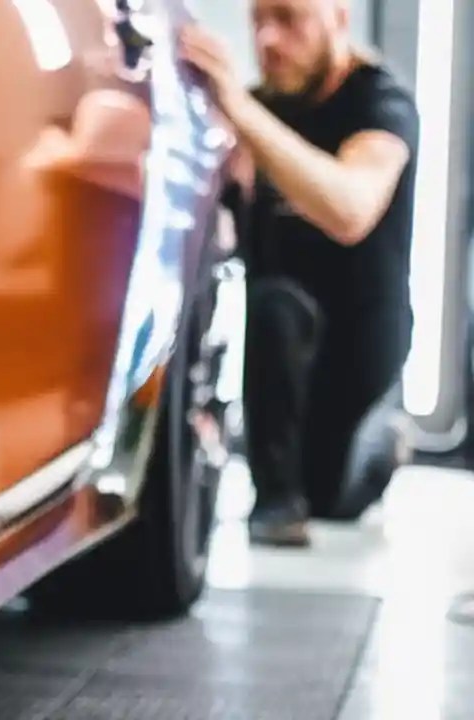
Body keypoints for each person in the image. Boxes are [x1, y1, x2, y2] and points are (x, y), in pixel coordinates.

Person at [179, 0, 419, 546]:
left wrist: (241, 112)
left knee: (333, 494)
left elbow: (349, 211)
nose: (268, 40)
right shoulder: (259, 109)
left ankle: (381, 444)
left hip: (355, 358)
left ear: (338, 17)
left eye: (288, 19)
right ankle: (278, 500)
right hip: (279, 354)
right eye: (259, 22)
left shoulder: (380, 103)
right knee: (274, 305)